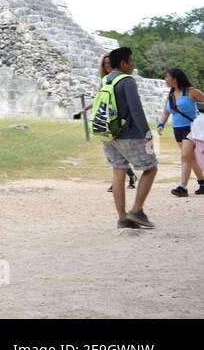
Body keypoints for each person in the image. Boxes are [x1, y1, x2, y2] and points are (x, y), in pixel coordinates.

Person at [100, 47, 158, 229]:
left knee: (118, 172)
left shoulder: (106, 80)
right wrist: (147, 133)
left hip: (108, 133)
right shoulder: (127, 81)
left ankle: (122, 218)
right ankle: (137, 210)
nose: (133, 65)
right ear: (124, 63)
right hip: (129, 134)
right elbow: (136, 110)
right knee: (150, 168)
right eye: (131, 61)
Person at [74, 54, 137, 190]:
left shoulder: (122, 80)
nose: (107, 66)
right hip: (106, 121)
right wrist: (84, 109)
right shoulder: (104, 81)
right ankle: (128, 177)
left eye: (109, 63)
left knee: (120, 153)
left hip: (120, 121)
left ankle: (121, 181)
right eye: (105, 64)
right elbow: (99, 99)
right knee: (114, 154)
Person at [156, 67, 204, 197]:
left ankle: (182, 188)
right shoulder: (171, 94)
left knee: (184, 156)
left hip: (191, 128)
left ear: (175, 78)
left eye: (167, 76)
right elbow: (166, 111)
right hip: (177, 129)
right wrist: (161, 124)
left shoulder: (191, 91)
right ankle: (202, 183)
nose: (165, 79)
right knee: (190, 158)